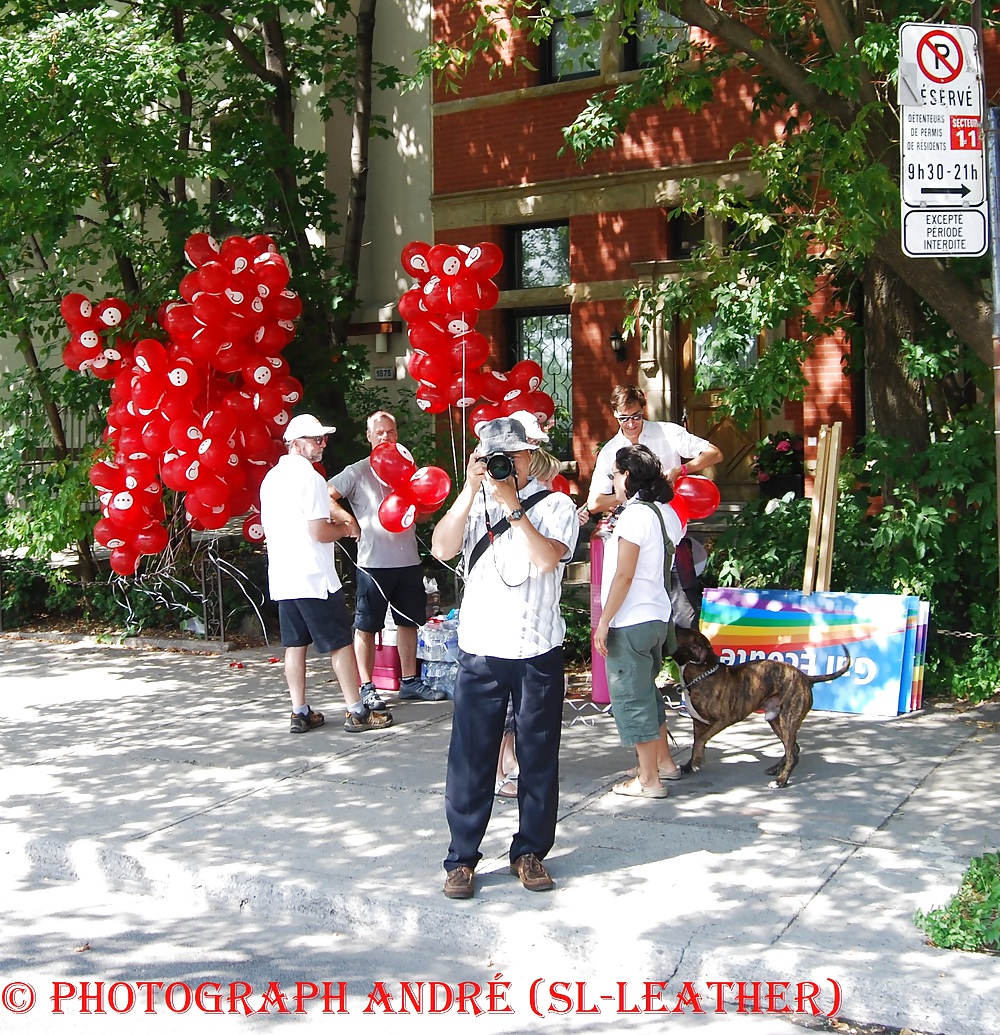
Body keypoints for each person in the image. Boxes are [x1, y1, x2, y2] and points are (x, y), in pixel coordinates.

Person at [431, 417, 579, 899]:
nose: (504, 465)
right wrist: (469, 490)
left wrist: (514, 507)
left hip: (536, 649)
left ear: (529, 457)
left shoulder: (555, 504)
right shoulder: (475, 505)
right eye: (494, 457)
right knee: (470, 759)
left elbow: (546, 559)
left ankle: (530, 851)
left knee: (538, 757)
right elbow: (441, 548)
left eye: (512, 456)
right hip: (481, 648)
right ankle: (461, 859)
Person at [259, 413, 394, 735]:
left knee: (295, 645)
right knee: (339, 644)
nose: (322, 444)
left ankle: (299, 711)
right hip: (314, 577)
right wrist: (346, 527)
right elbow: (319, 532)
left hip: (284, 576)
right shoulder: (311, 479)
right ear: (296, 443)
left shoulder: (271, 478)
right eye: (315, 439)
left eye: (323, 439)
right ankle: (356, 710)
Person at [328, 411, 447, 707]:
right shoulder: (357, 471)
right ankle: (367, 686)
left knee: (409, 622)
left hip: (408, 560)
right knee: (367, 626)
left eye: (390, 431)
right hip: (373, 564)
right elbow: (325, 496)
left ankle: (409, 681)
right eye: (379, 432)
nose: (385, 437)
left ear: (397, 434)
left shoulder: (409, 468)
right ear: (368, 436)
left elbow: (421, 514)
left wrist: (428, 502)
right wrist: (348, 521)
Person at [593, 445, 683, 797]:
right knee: (648, 692)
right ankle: (663, 763)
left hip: (631, 619)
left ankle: (648, 779)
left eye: (614, 474)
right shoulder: (666, 512)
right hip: (658, 616)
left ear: (627, 476)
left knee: (632, 698)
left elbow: (624, 575)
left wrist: (604, 621)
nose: (613, 481)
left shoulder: (634, 516)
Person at [580, 384, 723, 522]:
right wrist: (630, 494)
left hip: (670, 520)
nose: (631, 424)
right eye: (623, 418)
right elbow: (594, 504)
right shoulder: (610, 451)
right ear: (615, 413)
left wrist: (680, 470)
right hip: (633, 525)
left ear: (643, 409)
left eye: (636, 416)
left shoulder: (668, 432)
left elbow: (714, 454)